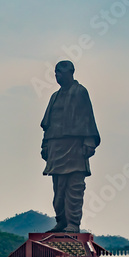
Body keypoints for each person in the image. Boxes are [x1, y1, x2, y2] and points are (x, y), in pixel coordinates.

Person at [40, 60, 100, 233]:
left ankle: (73, 223)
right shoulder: (55, 96)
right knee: (58, 191)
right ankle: (61, 221)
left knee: (74, 187)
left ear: (70, 73)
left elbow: (87, 117)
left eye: (60, 72)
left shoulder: (80, 92)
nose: (57, 76)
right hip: (55, 146)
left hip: (74, 146)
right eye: (55, 72)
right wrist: (45, 146)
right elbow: (47, 124)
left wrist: (88, 141)